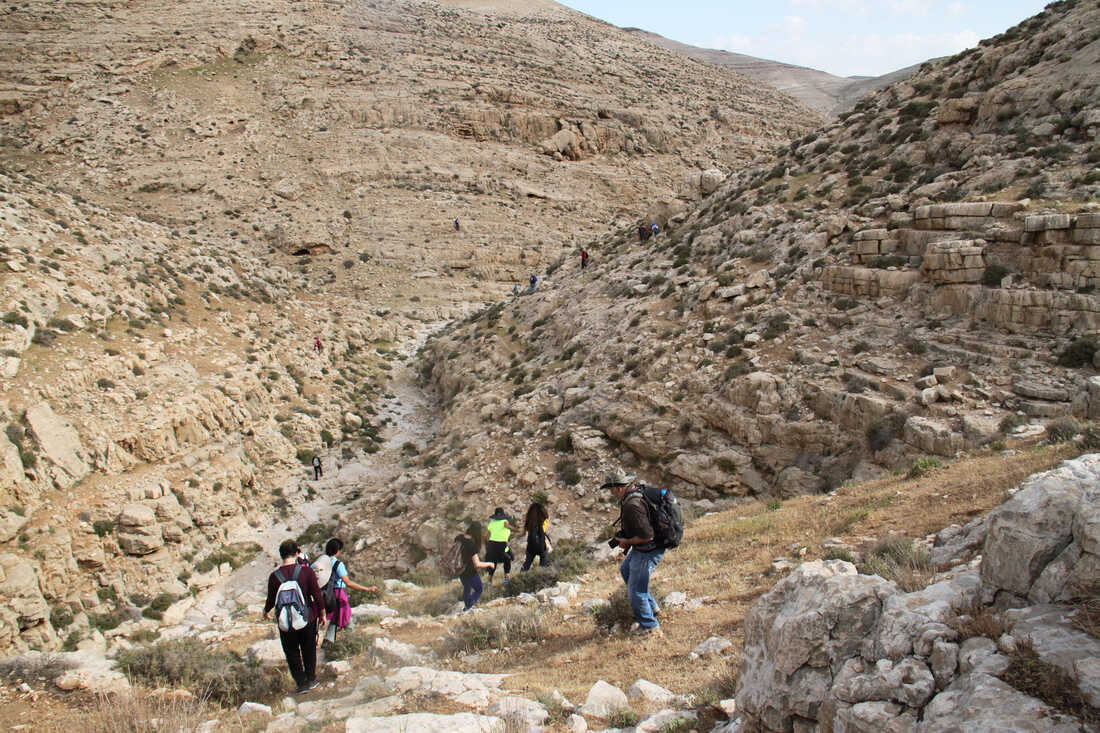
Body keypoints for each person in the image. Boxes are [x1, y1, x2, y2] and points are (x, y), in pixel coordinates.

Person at [603, 468, 664, 637]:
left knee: (636, 590)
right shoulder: (632, 495)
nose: (610, 492)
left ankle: (650, 627)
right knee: (626, 571)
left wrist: (627, 542)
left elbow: (647, 537)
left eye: (611, 488)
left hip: (649, 549)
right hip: (645, 547)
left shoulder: (632, 505)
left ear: (619, 488)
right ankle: (652, 607)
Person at [262, 540, 325, 693]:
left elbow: (271, 599)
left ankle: (301, 684)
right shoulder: (306, 572)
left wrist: (265, 611)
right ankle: (311, 679)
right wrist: (322, 613)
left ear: (281, 555)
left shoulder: (274, 576)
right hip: (306, 617)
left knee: (291, 652)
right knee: (308, 648)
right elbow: (316, 594)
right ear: (297, 553)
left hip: (285, 621)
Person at [316, 538, 378, 646]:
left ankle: (327, 642)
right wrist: (367, 589)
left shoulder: (320, 562)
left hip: (326, 595)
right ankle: (354, 642)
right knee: (346, 617)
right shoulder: (338, 564)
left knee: (336, 618)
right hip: (339, 594)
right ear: (338, 550)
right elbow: (348, 583)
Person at [457, 522, 495, 611]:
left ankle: (466, 607)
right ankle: (469, 607)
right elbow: (477, 564)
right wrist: (489, 564)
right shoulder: (471, 545)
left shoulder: (459, 538)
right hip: (469, 571)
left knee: (467, 588)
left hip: (459, 568)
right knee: (479, 589)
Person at [485, 508, 518, 585]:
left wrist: (487, 545)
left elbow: (485, 535)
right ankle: (506, 578)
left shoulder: (491, 524)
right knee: (508, 558)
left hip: (491, 545)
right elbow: (508, 526)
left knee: (493, 561)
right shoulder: (505, 521)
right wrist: (517, 530)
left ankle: (489, 580)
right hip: (501, 545)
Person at [521, 501, 550, 571]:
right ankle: (540, 577)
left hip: (531, 546)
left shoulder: (530, 523)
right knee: (543, 565)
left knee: (526, 565)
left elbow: (524, 533)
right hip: (541, 546)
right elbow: (543, 533)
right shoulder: (543, 522)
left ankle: (520, 577)